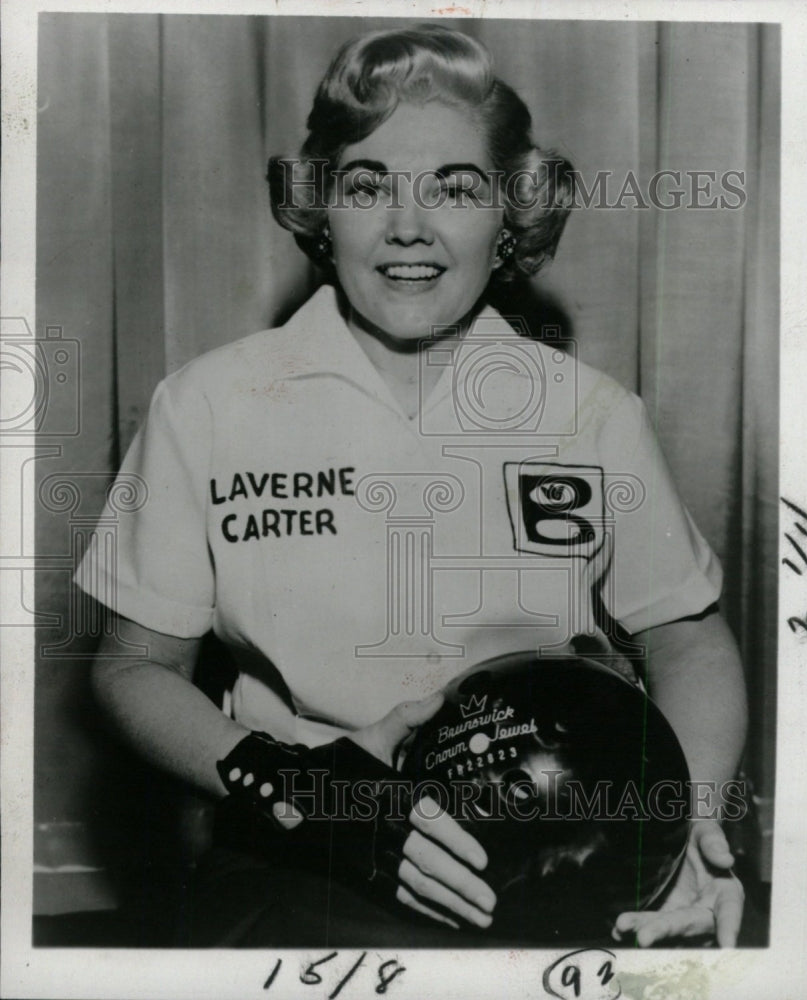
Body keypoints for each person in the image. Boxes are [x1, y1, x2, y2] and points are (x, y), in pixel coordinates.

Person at [75, 23, 747, 948]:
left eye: (456, 187)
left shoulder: (592, 413)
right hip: (301, 857)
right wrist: (310, 791)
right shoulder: (207, 404)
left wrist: (687, 836)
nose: (408, 227)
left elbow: (690, 643)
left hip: (565, 856)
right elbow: (131, 669)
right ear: (321, 208)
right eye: (367, 185)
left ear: (511, 214)